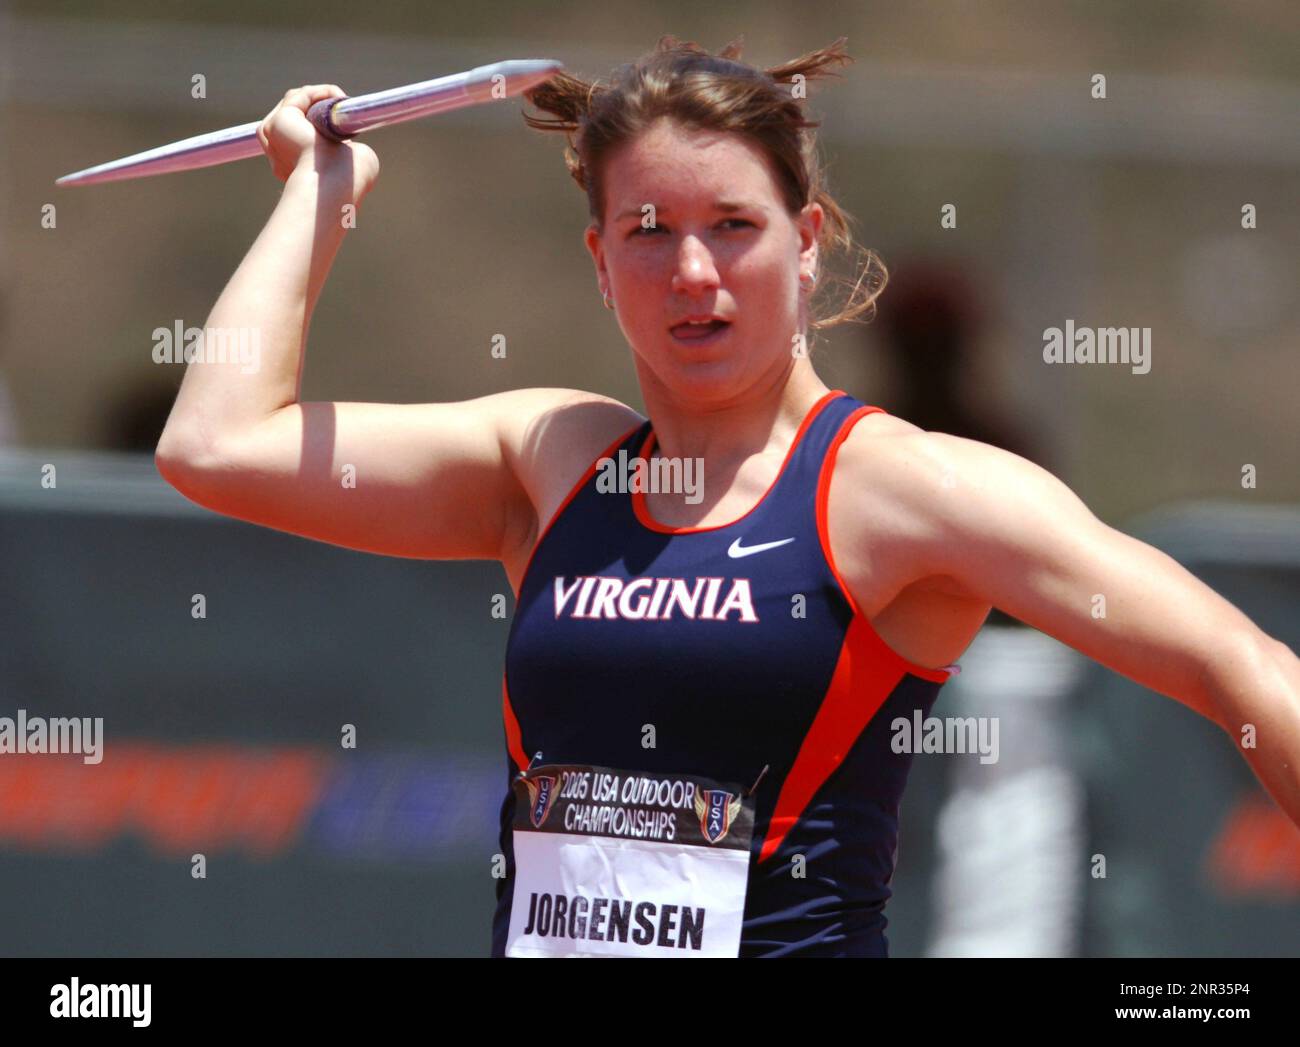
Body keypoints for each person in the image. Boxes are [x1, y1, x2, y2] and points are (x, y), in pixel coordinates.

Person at [154, 36, 1300, 958]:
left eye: (733, 228)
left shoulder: (897, 493)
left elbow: (1238, 667)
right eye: (648, 232)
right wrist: (323, 191)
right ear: (598, 261)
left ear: (805, 246)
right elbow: (215, 446)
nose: (692, 274)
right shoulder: (551, 460)